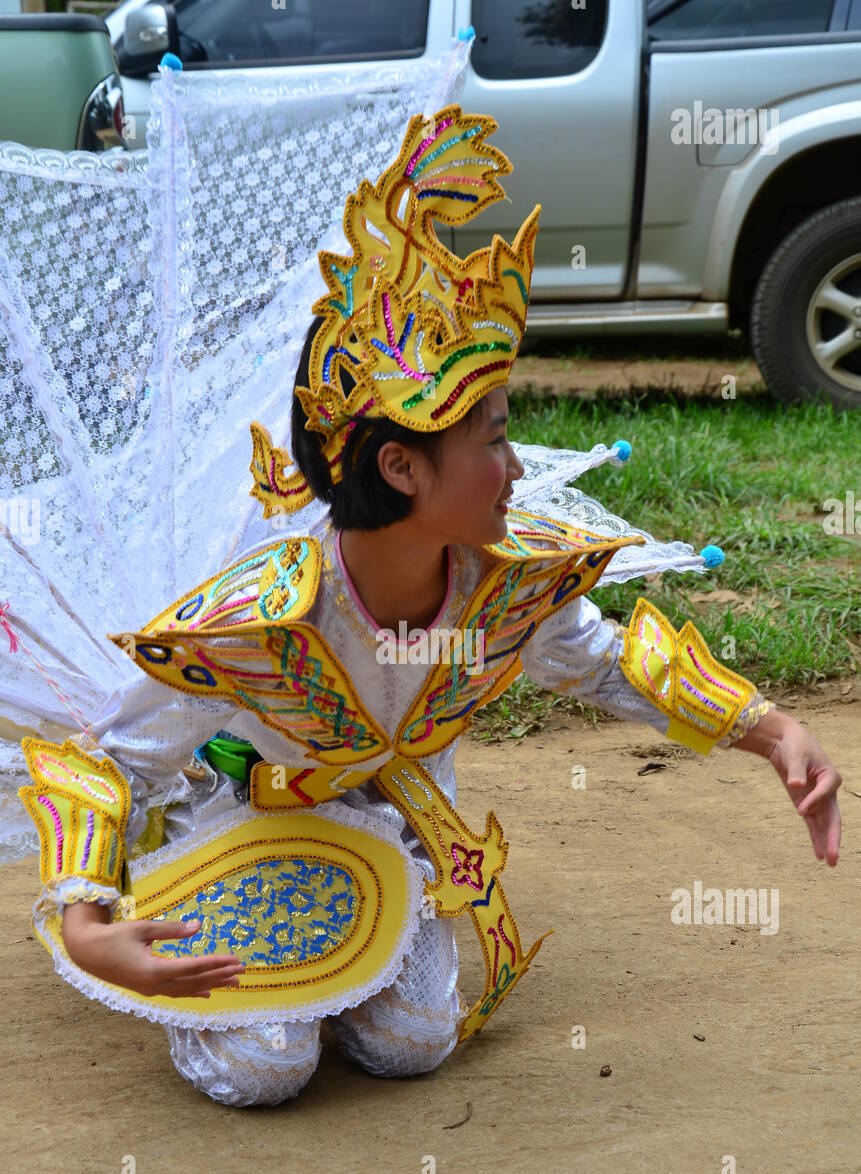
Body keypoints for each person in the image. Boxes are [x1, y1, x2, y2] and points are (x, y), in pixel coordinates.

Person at [16, 106, 842, 1108]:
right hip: (252, 822)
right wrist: (88, 920)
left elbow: (609, 661)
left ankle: (352, 953)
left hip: (397, 841)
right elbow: (115, 753)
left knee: (413, 1040)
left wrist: (773, 729)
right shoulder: (264, 615)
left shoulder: (509, 578)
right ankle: (185, 884)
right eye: (493, 439)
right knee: (263, 1066)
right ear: (402, 466)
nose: (518, 465)